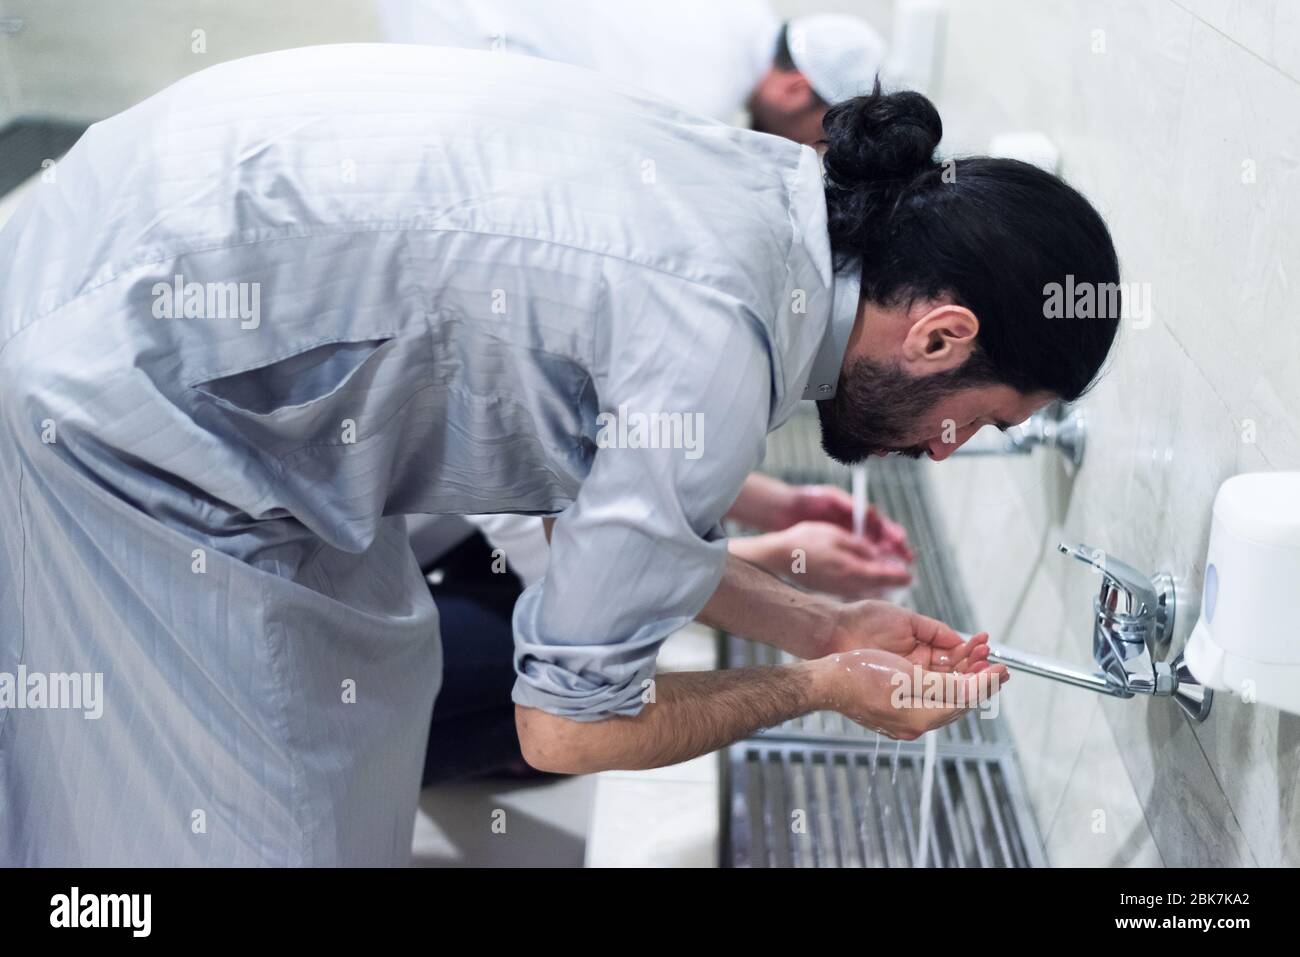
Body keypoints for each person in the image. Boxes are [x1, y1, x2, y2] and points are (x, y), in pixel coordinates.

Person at [0, 43, 1120, 865]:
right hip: (125, 389)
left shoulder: (767, 201)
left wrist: (826, 627)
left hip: (141, 249)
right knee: (238, 827)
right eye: (977, 421)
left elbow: (590, 510)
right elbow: (568, 728)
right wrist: (822, 687)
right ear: (941, 336)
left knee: (365, 694)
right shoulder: (723, 348)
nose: (942, 452)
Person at [378, 0, 888, 144]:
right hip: (472, 35)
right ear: (795, 89)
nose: (813, 146)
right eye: (822, 133)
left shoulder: (743, 11)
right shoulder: (704, 94)